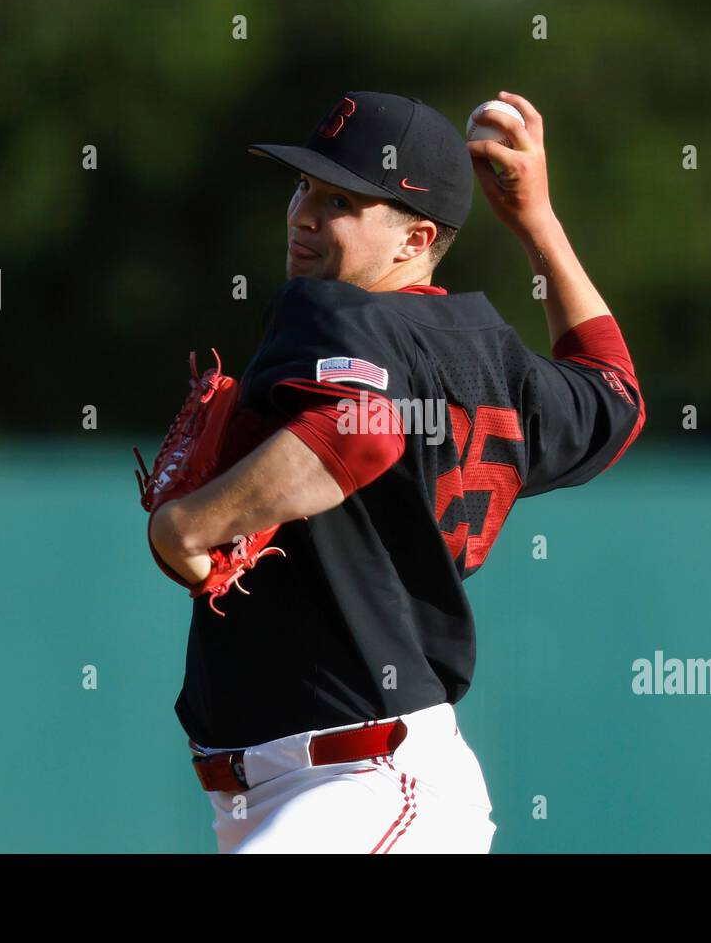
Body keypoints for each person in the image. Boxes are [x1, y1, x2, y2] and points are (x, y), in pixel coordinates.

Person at [146, 90, 645, 852]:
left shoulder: (333, 313)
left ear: (415, 239)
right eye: (303, 187)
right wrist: (536, 221)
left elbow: (364, 430)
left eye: (341, 200)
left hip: (359, 787)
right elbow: (616, 392)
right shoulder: (492, 358)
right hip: (346, 788)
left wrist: (189, 523)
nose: (304, 214)